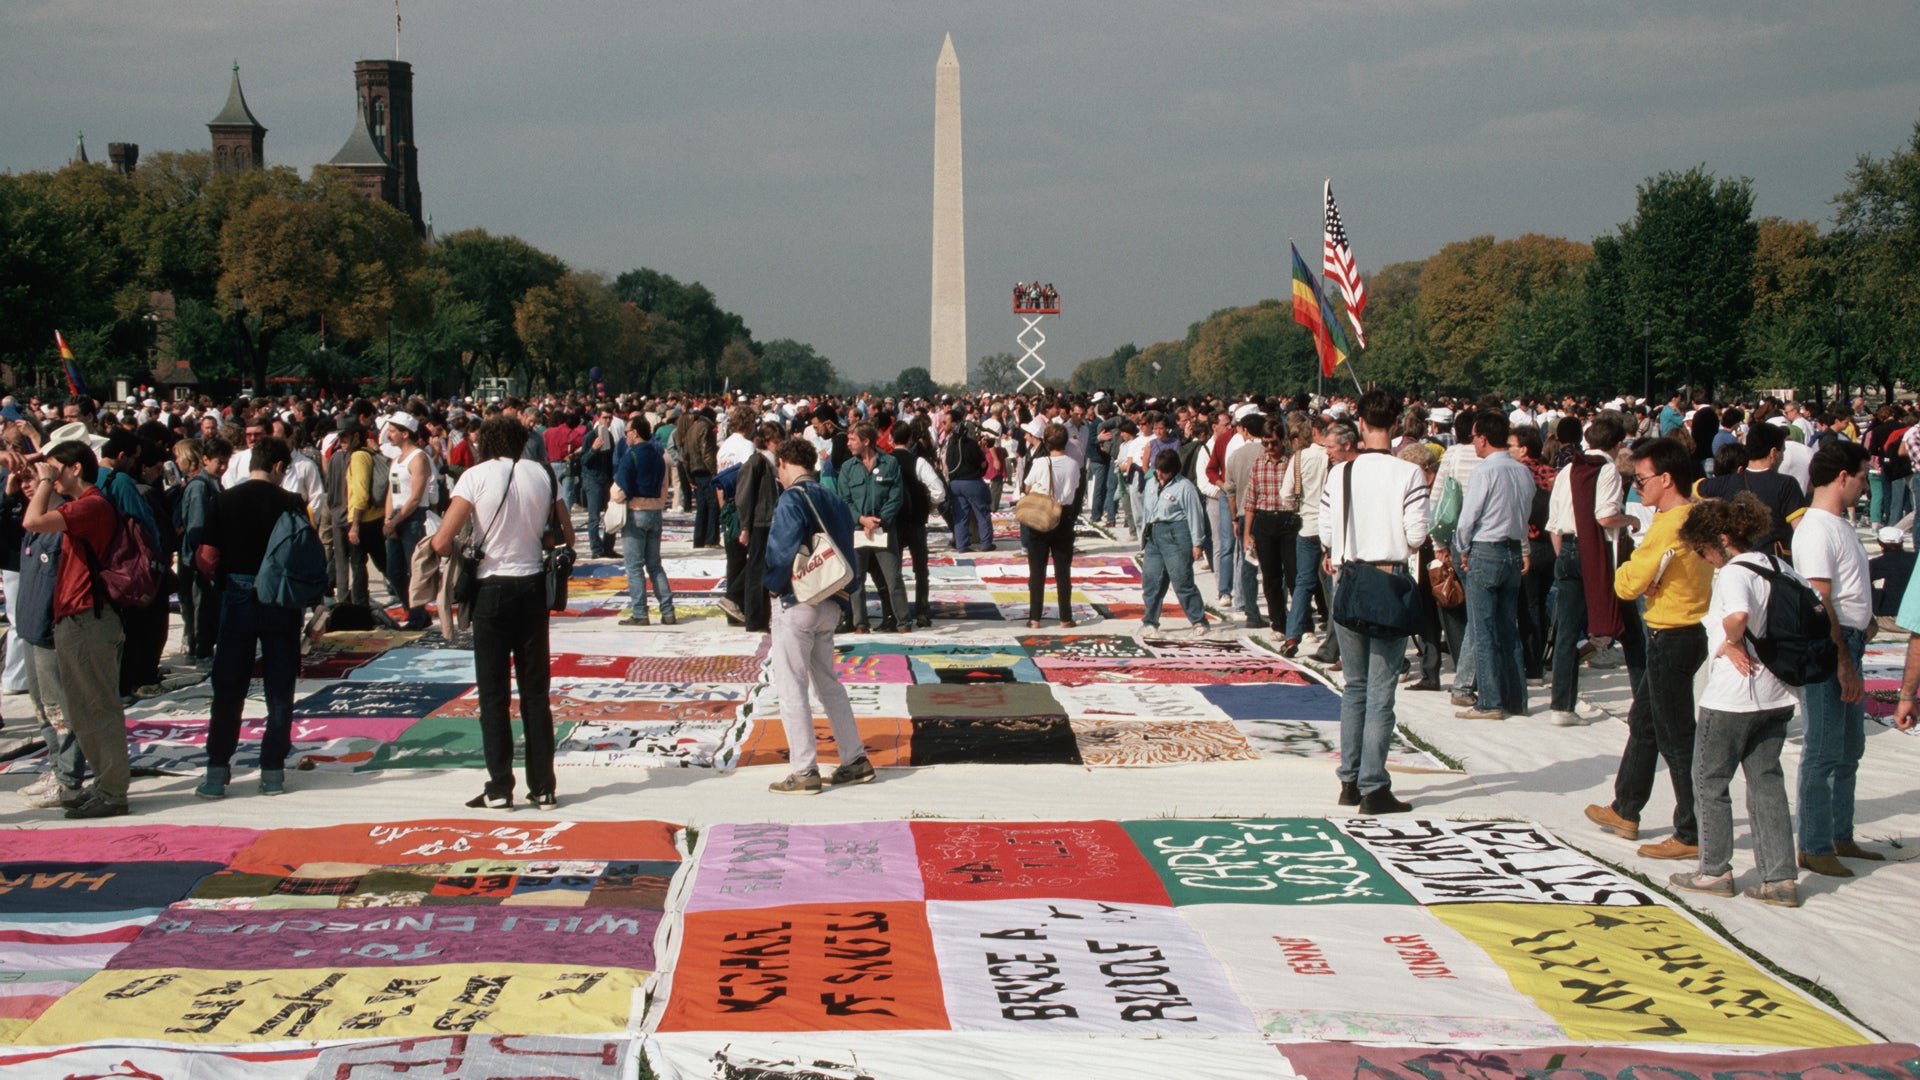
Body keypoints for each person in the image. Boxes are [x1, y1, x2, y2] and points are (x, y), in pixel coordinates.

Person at [1666, 494, 1803, 908]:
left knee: (1709, 781)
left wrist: (1731, 640)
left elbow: (1738, 616)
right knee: (1767, 783)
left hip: (1733, 697)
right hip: (1776, 694)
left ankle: (1714, 870)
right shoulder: (1778, 566)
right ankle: (1780, 878)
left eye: (1705, 550)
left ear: (1722, 539)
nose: (1705, 558)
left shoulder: (1733, 573)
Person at [430, 416, 571, 810]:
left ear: (484, 441)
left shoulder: (474, 477)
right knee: (535, 694)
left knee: (493, 695)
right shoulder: (543, 475)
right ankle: (543, 786)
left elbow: (442, 542)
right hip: (531, 589)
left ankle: (499, 787)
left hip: (491, 590)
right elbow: (564, 535)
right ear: (522, 440)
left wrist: (471, 542)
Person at [1587, 437, 1712, 861]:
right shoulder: (1697, 515)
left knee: (1676, 737)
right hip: (1685, 630)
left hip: (1673, 633)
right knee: (1644, 724)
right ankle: (1626, 807)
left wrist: (1630, 570)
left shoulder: (1670, 523)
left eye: (1641, 480)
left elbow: (1628, 583)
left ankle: (1691, 828)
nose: (1636, 488)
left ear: (1666, 478)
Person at [1319, 388, 1431, 815]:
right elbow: (1417, 536)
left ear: (1361, 425)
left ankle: (1349, 779)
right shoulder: (1409, 474)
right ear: (1397, 423)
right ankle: (1373, 785)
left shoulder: (1341, 473)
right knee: (1381, 691)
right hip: (1388, 579)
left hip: (1348, 578)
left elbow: (1326, 532)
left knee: (1355, 688)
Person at [196, 436, 310, 799]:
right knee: (279, 687)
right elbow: (305, 552)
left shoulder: (223, 499)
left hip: (237, 594)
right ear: (278, 467)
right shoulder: (291, 502)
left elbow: (206, 556)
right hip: (281, 599)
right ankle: (272, 770)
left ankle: (217, 770)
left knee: (228, 686)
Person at [22, 439, 130, 819]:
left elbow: (32, 520)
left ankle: (113, 792)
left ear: (76, 468)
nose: (47, 473)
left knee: (98, 708)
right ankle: (104, 785)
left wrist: (46, 481)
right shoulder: (85, 505)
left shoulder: (92, 505)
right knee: (84, 712)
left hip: (89, 618)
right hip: (79, 618)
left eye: (55, 467)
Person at [1792, 441, 1880, 877]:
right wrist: (1842, 658)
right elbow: (1818, 599)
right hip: (1830, 646)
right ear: (1842, 475)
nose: (1866, 485)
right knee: (1824, 748)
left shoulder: (1838, 525)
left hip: (1849, 639)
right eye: (1863, 476)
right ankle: (1813, 843)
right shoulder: (1816, 528)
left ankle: (1840, 833)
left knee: (1849, 748)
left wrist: (1864, 622)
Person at [762, 437, 866, 795]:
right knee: (828, 684)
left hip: (798, 599)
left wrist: (773, 586)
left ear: (784, 463)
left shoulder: (792, 498)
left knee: (792, 686)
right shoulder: (832, 497)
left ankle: (805, 769)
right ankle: (854, 758)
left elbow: (781, 549)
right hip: (831, 598)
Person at [1447, 410, 1533, 720]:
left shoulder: (1485, 472)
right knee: (1508, 629)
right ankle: (1514, 698)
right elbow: (1524, 513)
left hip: (1486, 548)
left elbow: (1468, 517)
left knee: (1483, 630)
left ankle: (1490, 701)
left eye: (1473, 438)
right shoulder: (1522, 471)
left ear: (1483, 439)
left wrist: (1462, 547)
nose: (1473, 443)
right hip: (1512, 549)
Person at [840, 421, 911, 633]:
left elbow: (895, 496)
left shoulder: (890, 463)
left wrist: (878, 520)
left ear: (866, 441)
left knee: (893, 578)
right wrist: (862, 520)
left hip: (883, 529)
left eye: (853, 439)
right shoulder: (847, 468)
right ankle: (860, 623)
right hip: (857, 529)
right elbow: (844, 500)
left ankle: (903, 622)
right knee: (857, 579)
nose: (848, 443)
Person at [1139, 448, 1211, 636]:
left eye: (1164, 471)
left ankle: (1199, 620)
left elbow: (1195, 514)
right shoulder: (1151, 483)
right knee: (1151, 580)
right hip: (1154, 534)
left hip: (1176, 534)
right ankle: (1150, 621)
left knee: (1182, 581)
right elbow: (1147, 511)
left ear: (1173, 470)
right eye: (1157, 470)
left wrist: (1197, 543)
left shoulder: (1185, 487)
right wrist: (1143, 538)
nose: (1159, 474)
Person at [614, 414, 674, 626]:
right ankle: (668, 611)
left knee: (634, 566)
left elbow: (620, 489)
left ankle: (640, 613)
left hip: (636, 512)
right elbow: (664, 486)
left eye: (627, 432)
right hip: (655, 513)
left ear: (635, 433)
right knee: (655, 564)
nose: (625, 436)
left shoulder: (631, 457)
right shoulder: (658, 456)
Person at [1023, 422, 1080, 628]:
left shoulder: (1040, 463)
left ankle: (1035, 618)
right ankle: (1065, 617)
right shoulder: (1073, 464)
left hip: (1040, 516)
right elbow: (1073, 489)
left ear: (1046, 443)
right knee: (1062, 571)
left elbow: (1027, 486)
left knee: (1037, 571)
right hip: (1063, 517)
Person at [175, 436, 226, 666]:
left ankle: (203, 645)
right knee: (200, 606)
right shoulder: (199, 486)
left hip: (205, 557)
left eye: (226, 462)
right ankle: (200, 649)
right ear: (205, 459)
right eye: (219, 462)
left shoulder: (213, 482)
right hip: (197, 559)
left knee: (206, 605)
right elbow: (197, 527)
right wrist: (202, 559)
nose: (223, 467)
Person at [729, 421, 783, 634]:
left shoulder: (770, 462)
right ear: (766, 441)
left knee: (763, 571)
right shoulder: (756, 462)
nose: (778, 446)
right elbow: (744, 496)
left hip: (769, 521)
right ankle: (754, 618)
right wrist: (745, 527)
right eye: (775, 442)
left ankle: (760, 617)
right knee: (756, 572)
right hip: (759, 522)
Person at [382, 413, 435, 629]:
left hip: (412, 517)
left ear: (405, 434)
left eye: (393, 431)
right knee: (394, 571)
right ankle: (414, 610)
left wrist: (394, 522)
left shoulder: (419, 458)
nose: (389, 434)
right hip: (396, 515)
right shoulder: (396, 460)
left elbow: (415, 497)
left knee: (414, 570)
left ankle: (416, 615)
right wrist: (388, 519)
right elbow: (391, 492)